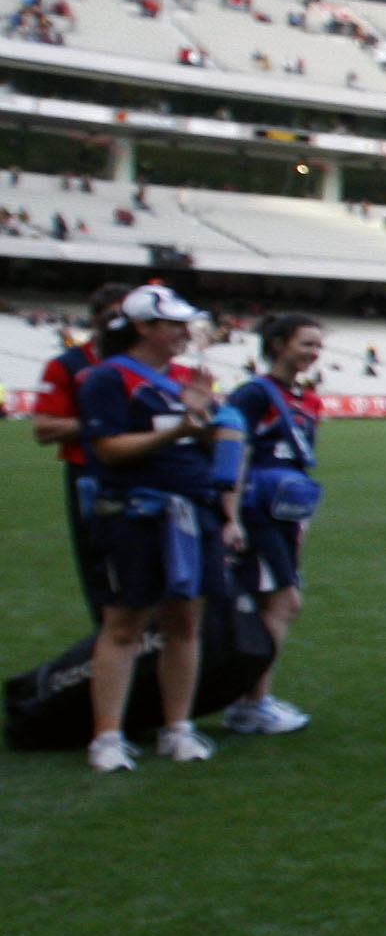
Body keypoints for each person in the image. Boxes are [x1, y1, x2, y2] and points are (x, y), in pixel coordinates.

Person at [75, 284, 227, 768]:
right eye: (174, 325)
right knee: (125, 623)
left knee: (185, 620)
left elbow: (206, 444)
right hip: (135, 513)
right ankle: (107, 737)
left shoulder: (184, 378)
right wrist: (183, 427)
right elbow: (107, 450)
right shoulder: (108, 378)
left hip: (192, 511)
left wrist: (204, 423)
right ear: (143, 327)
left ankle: (176, 727)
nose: (185, 334)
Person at [212, 312, 324, 735]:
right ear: (278, 344)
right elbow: (233, 456)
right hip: (255, 514)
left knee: (275, 603)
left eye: (317, 346)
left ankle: (252, 699)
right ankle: (251, 703)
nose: (313, 353)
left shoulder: (306, 400)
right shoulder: (252, 395)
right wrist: (230, 515)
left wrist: (302, 519)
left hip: (285, 516)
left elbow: (300, 463)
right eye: (305, 344)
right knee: (281, 603)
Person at [31, 278, 132, 621]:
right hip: (89, 475)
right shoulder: (67, 365)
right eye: (112, 315)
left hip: (144, 469)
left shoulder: (148, 365)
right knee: (101, 568)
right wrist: (98, 422)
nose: (120, 322)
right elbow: (44, 429)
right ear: (95, 320)